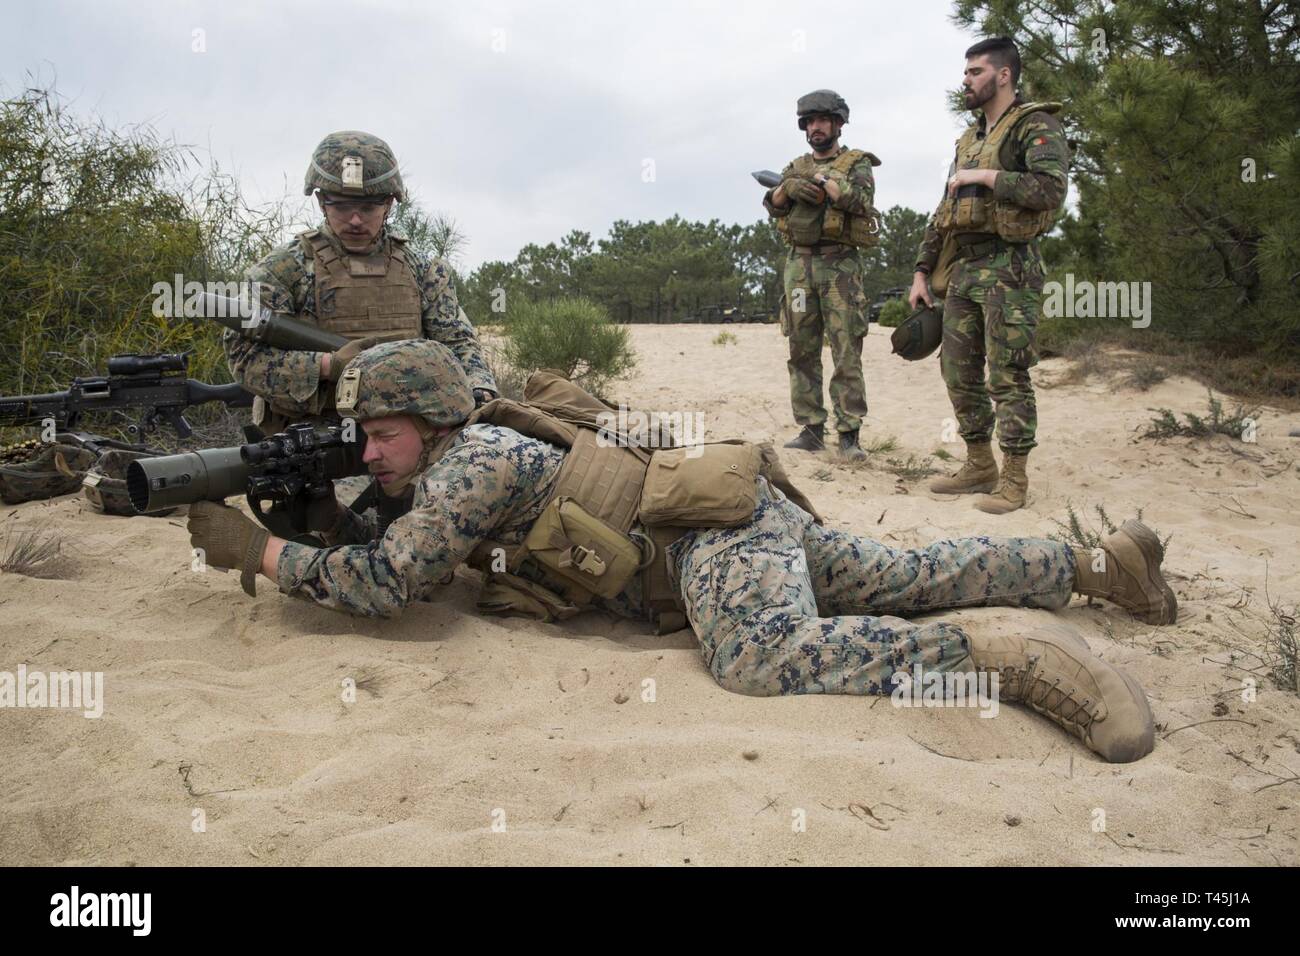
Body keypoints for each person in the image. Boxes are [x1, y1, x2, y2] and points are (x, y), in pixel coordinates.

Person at [186, 341, 1179, 763]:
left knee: (757, 658)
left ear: (432, 424)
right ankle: (1096, 565)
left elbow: (389, 582)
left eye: (382, 435)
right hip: (737, 513)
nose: (368, 455)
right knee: (899, 573)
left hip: (708, 541)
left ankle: (1007, 662)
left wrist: (262, 554)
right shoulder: (477, 445)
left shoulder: (469, 464)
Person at [224, 130, 497, 439]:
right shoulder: (283, 270)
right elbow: (245, 356)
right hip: (316, 435)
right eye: (342, 207)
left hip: (411, 433)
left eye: (367, 208)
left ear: (389, 204)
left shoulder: (423, 270)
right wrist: (326, 366)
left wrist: (479, 390)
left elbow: (458, 342)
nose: (355, 220)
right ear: (321, 202)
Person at [908, 38, 1069, 514]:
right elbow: (945, 210)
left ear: (1003, 75)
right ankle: (980, 464)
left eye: (975, 71)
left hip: (1010, 267)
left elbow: (1051, 189)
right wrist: (921, 270)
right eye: (965, 72)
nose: (966, 80)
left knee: (1008, 373)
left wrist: (988, 178)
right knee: (957, 371)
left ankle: (1015, 478)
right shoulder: (969, 139)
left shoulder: (1035, 125)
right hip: (964, 269)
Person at [763, 90, 881, 462]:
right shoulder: (794, 166)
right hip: (799, 268)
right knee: (801, 348)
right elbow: (773, 206)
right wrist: (786, 188)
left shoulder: (857, 163)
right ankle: (811, 429)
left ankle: (849, 435)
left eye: (823, 121)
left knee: (846, 349)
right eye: (810, 122)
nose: (816, 127)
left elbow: (861, 201)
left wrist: (822, 180)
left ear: (838, 124)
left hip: (839, 267)